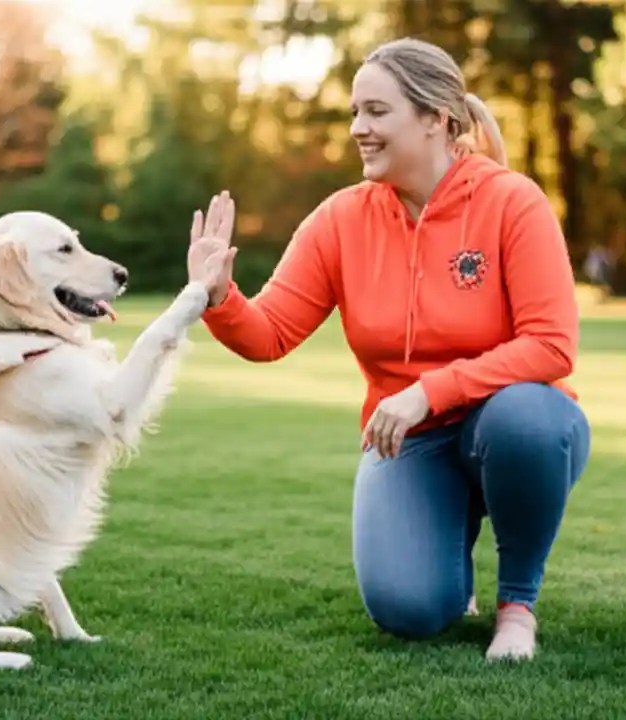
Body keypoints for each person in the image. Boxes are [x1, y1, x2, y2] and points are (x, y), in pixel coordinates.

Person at [184, 37, 590, 662]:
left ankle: (516, 606)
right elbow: (270, 335)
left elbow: (551, 346)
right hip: (408, 440)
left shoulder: (513, 202)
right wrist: (220, 297)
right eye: (355, 113)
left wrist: (429, 391)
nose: (358, 129)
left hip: (504, 423)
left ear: (436, 119)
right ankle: (449, 559)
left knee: (530, 422)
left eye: (376, 112)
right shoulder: (340, 218)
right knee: (409, 610)